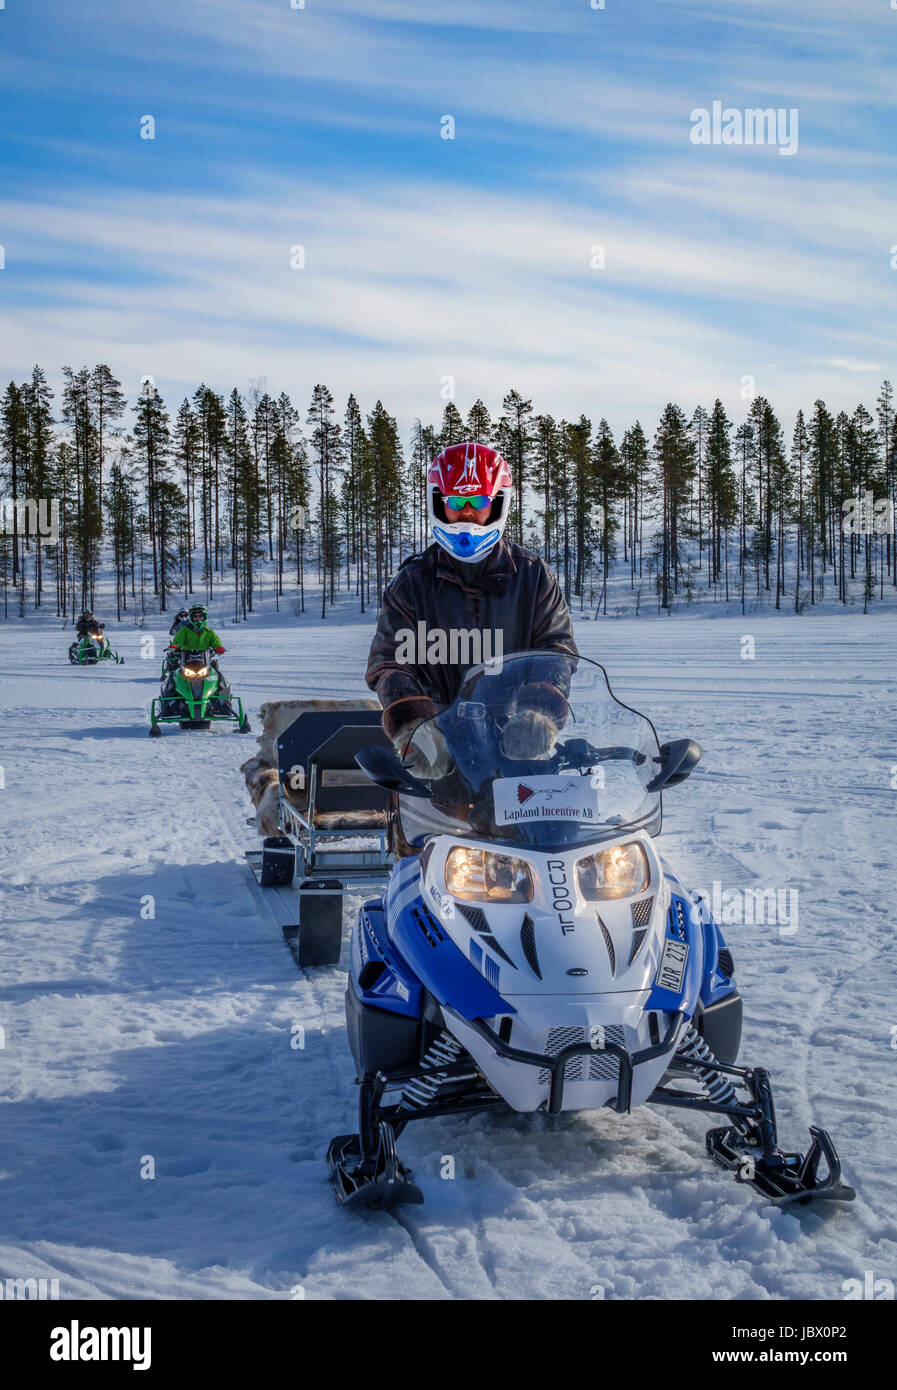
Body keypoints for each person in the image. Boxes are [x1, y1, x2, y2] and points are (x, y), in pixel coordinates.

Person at [366, 441, 577, 780]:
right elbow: (390, 662)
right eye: (455, 502)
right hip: (438, 750)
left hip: (516, 744)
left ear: (496, 505)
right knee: (426, 832)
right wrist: (413, 728)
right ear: (439, 504)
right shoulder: (412, 583)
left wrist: (537, 715)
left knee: (550, 828)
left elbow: (556, 650)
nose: (466, 512)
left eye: (476, 501)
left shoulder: (533, 576)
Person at [162, 604, 231, 705]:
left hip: (205, 662)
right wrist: (175, 646)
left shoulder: (209, 632)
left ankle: (223, 703)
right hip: (186, 662)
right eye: (195, 617)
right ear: (191, 618)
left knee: (219, 678)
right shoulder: (185, 630)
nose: (198, 619)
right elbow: (178, 640)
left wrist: (218, 648)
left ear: (204, 618)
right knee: (173, 677)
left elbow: (215, 641)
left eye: (200, 617)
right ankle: (169, 703)